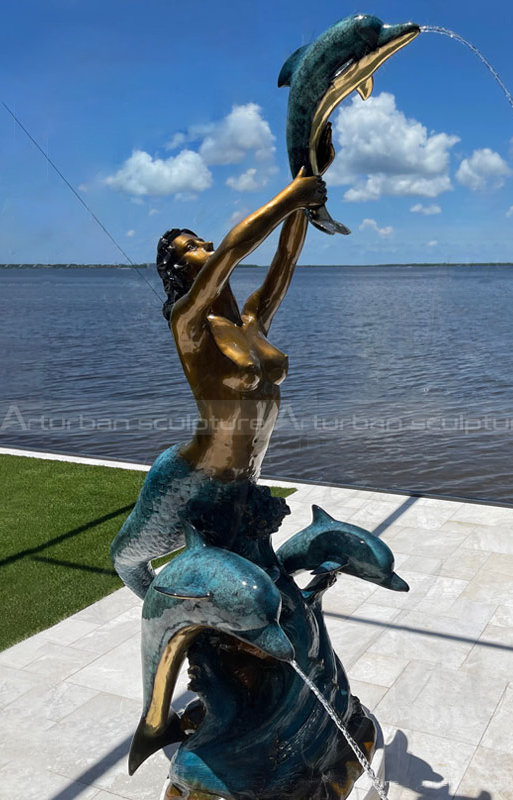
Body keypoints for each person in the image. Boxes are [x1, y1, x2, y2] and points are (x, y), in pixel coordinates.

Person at [111, 130, 333, 598]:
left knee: (260, 592)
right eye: (190, 247)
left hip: (245, 479)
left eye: (201, 240)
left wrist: (311, 179)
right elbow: (231, 252)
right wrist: (290, 197)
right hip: (192, 477)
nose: (205, 244)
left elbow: (287, 257)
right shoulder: (187, 321)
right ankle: (171, 620)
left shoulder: (252, 319)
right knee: (129, 559)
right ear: (179, 271)